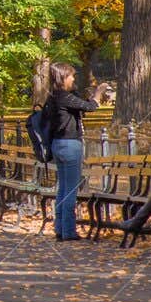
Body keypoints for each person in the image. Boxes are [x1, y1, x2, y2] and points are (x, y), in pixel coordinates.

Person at [41, 63, 108, 241]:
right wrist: (98, 93)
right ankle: (69, 232)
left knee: (63, 188)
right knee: (70, 190)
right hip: (70, 145)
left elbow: (79, 106)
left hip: (58, 145)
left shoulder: (53, 97)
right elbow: (91, 107)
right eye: (71, 76)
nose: (73, 78)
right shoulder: (64, 97)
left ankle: (60, 228)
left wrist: (82, 92)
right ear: (63, 78)